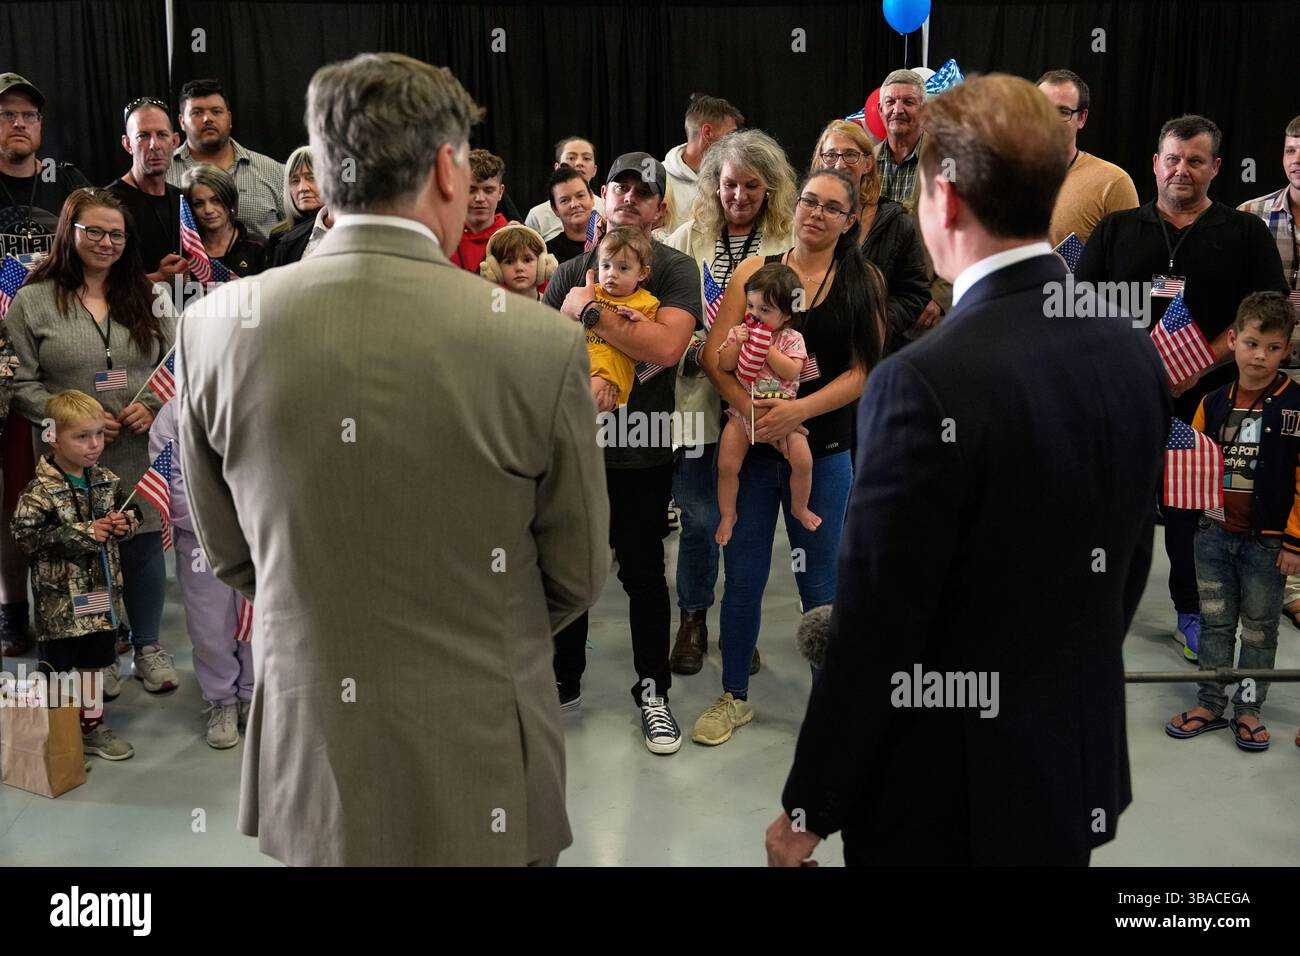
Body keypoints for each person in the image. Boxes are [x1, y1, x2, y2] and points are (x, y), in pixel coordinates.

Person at [178, 52, 607, 866]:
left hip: (313, 756)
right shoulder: (539, 342)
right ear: (449, 168)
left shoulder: (212, 329)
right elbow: (577, 571)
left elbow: (231, 555)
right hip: (483, 750)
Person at [768, 74, 1170, 867]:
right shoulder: (1129, 346)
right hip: (1070, 772)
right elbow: (1123, 571)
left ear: (943, 201)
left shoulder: (921, 382)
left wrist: (809, 804)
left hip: (945, 801)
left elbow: (878, 626)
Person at [1076, 115, 1287, 662]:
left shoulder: (1245, 233)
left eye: (1195, 160)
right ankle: (1095, 610)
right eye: (1172, 158)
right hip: (1123, 396)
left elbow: (1265, 313)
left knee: (1191, 511)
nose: (1181, 170)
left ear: (1216, 168)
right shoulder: (1117, 229)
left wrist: (1198, 362)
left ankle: (1191, 612)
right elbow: (1077, 311)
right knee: (1113, 505)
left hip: (1211, 401)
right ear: (1155, 163)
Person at [696, 168, 883, 747]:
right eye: (808, 201)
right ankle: (733, 696)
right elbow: (712, 356)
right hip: (752, 452)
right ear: (793, 204)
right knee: (743, 575)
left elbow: (864, 370)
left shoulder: (863, 278)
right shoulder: (758, 270)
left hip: (822, 451)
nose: (815, 213)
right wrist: (749, 411)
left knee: (822, 581)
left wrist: (797, 413)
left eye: (832, 207)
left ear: (850, 220)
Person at [544, 152, 699, 751]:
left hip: (644, 452)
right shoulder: (567, 268)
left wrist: (589, 310)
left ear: (661, 207)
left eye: (644, 192)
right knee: (571, 571)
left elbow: (665, 344)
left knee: (641, 573)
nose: (630, 199)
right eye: (619, 188)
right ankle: (562, 681)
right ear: (602, 198)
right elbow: (546, 355)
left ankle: (652, 689)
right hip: (577, 451)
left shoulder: (677, 271)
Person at [6, 187, 179, 699]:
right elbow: (17, 381)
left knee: (143, 542)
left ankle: (147, 645)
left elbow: (179, 365)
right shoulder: (33, 299)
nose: (107, 242)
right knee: (84, 553)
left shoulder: (147, 295)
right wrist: (71, 419)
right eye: (95, 232)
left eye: (117, 234)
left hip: (137, 448)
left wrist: (152, 406)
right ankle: (96, 652)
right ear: (70, 233)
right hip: (70, 458)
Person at [662, 128, 795, 676]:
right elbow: (659, 310)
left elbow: (799, 315)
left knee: (744, 524)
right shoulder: (681, 240)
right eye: (728, 184)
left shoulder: (787, 243)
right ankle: (693, 617)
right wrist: (700, 346)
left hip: (759, 402)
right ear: (712, 185)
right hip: (696, 398)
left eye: (752, 186)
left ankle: (739, 626)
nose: (738, 196)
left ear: (771, 190)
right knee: (697, 517)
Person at [1166, 292, 1300, 753]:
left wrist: (1294, 542)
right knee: (1215, 621)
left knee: (1261, 628)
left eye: (1273, 347)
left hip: (1267, 543)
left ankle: (1247, 709)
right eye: (1251, 343)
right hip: (1213, 534)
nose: (1260, 355)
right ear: (1232, 340)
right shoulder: (1212, 401)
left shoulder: (1295, 406)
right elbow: (1193, 466)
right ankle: (1210, 702)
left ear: (1288, 349)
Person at [0, 73, 90, 657]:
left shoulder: (69, 184)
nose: (18, 123)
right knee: (11, 497)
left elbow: (99, 251)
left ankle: (86, 610)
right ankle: (11, 610)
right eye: (7, 113)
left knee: (68, 488)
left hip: (54, 353)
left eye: (29, 115)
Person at [11, 389, 141, 760]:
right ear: (52, 436)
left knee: (92, 665)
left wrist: (123, 523)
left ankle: (91, 726)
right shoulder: (38, 492)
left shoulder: (106, 480)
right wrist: (86, 533)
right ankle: (54, 735)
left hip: (101, 600)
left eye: (99, 434)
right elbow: (27, 538)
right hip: (60, 609)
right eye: (81, 436)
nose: (94, 445)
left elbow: (135, 513)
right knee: (57, 669)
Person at [150, 381, 253, 749]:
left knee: (255, 618)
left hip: (255, 534)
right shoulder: (174, 414)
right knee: (210, 625)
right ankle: (222, 699)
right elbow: (170, 482)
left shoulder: (255, 399)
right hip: (201, 540)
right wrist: (214, 524)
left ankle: (251, 693)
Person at [1238, 115, 1300, 627]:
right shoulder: (1252, 216)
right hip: (1268, 371)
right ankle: (1286, 585)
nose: (1297, 159)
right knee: (1273, 473)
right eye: (1290, 150)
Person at [714, 262, 815, 546]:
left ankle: (799, 506)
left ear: (786, 315)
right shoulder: (739, 333)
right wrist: (737, 344)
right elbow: (723, 365)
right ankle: (727, 513)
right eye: (751, 306)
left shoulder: (791, 339)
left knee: (803, 461)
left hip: (783, 414)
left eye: (765, 310)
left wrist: (766, 347)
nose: (754, 316)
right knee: (727, 464)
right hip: (742, 412)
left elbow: (791, 372)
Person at [811, 118, 930, 353]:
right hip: (809, 351)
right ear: (820, 161)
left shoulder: (896, 221)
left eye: (850, 155)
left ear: (867, 163)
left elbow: (913, 293)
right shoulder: (802, 216)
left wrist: (876, 324)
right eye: (831, 155)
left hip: (871, 354)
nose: (839, 163)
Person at [872, 70, 952, 337]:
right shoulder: (863, 162)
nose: (898, 109)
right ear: (880, 109)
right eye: (891, 102)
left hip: (924, 313)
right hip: (870, 312)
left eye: (908, 102)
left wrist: (941, 297)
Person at [166, 78, 285, 240]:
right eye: (197, 112)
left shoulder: (274, 171)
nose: (207, 119)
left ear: (229, 118)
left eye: (216, 111)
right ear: (181, 121)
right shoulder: (164, 172)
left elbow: (295, 232)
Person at [1036, 70, 1139, 246]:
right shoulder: (1006, 174)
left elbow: (1127, 261)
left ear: (1082, 118)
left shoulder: (1113, 182)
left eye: (1062, 111)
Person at [105, 97, 188, 286]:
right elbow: (94, 280)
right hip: (129, 313)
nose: (154, 145)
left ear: (174, 141)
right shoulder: (108, 203)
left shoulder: (182, 199)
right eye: (143, 136)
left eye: (162, 135)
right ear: (127, 144)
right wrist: (157, 279)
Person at [584, 226, 660, 406]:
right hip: (578, 362)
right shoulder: (590, 292)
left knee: (576, 405)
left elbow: (652, 345)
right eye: (606, 266)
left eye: (623, 268)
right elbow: (565, 319)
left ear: (642, 273)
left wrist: (640, 320)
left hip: (608, 372)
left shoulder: (646, 303)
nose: (611, 273)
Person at [662, 94, 744, 228]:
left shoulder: (733, 179)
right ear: (707, 132)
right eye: (731, 134)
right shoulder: (658, 180)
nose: (736, 142)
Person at [180, 164, 266, 276]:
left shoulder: (258, 247)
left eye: (216, 200)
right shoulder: (184, 250)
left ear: (230, 199)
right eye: (198, 204)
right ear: (190, 208)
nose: (208, 210)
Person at [525, 136, 605, 242]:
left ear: (594, 170)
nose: (579, 163)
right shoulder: (537, 215)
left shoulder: (606, 209)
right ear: (557, 167)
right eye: (571, 158)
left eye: (586, 158)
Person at [449, 149, 508, 272]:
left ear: (500, 192)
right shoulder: (442, 238)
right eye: (471, 190)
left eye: (488, 190)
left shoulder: (519, 240)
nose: (480, 198)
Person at [265, 146, 323, 260]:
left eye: (311, 178)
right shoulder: (279, 237)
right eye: (295, 181)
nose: (302, 188)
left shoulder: (344, 228)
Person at [478, 221, 557, 299]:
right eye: (509, 262)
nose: (519, 268)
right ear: (496, 269)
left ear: (542, 264)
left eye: (527, 260)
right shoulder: (490, 309)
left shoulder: (555, 308)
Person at [543, 164, 596, 263]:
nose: (574, 204)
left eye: (580, 196)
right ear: (555, 209)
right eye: (564, 200)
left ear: (592, 197)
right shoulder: (548, 254)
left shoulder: (613, 240)